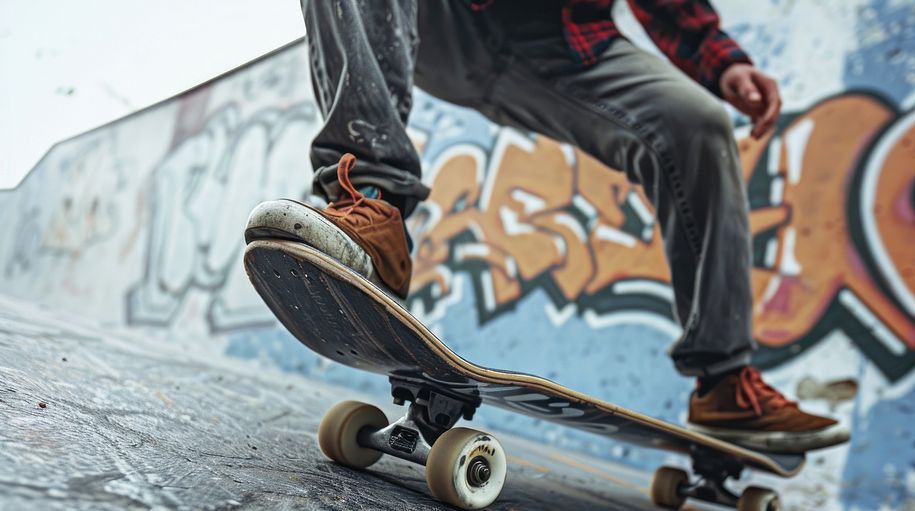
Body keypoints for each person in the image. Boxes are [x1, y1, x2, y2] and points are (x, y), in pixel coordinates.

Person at [245, 0, 848, 454]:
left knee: (697, 127)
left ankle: (724, 382)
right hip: (449, 23)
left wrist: (721, 60)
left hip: (569, 44)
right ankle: (373, 205)